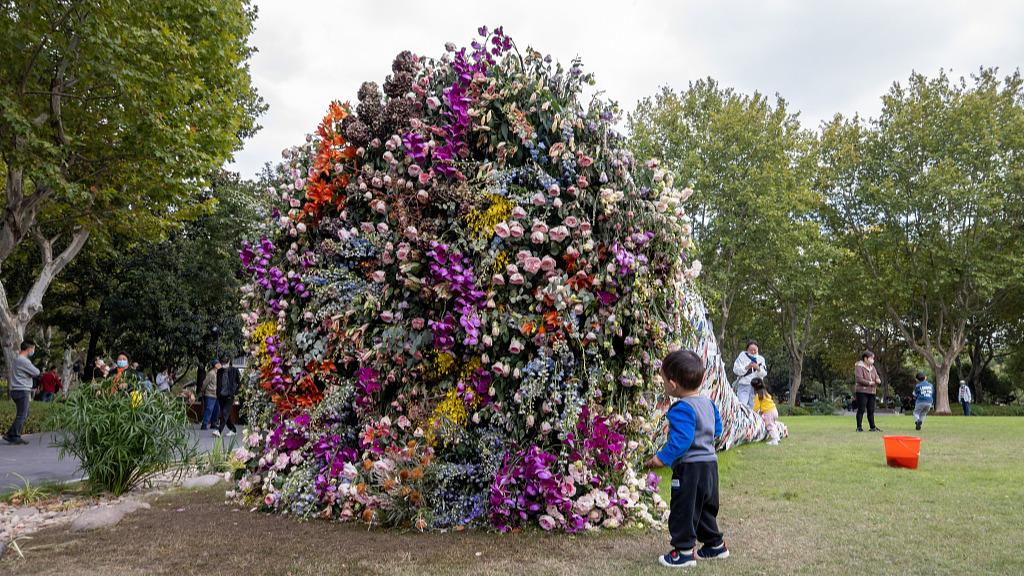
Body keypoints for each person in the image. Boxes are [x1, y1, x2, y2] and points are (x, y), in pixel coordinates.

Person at [646, 350, 728, 568]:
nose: (664, 384)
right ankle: (715, 545)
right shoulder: (708, 404)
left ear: (673, 384)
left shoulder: (681, 408)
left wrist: (661, 458)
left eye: (664, 380)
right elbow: (717, 430)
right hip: (710, 465)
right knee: (704, 508)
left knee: (684, 508)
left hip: (690, 469)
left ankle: (682, 552)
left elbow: (682, 440)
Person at [4, 341, 40, 445]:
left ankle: (11, 434)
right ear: (29, 349)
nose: (33, 351)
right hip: (22, 390)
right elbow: (37, 372)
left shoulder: (16, 359)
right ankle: (14, 436)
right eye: (33, 349)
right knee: (22, 415)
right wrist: (31, 374)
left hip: (16, 389)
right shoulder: (24, 361)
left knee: (23, 413)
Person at [732, 340, 767, 409]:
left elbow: (764, 373)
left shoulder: (761, 359)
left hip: (756, 387)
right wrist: (747, 367)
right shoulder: (742, 356)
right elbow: (735, 370)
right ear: (747, 349)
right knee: (742, 406)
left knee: (754, 407)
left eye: (755, 350)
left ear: (758, 349)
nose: (753, 352)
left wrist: (758, 368)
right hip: (744, 384)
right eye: (751, 350)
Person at [854, 350, 883, 432]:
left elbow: (876, 376)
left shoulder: (872, 367)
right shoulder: (859, 366)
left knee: (871, 410)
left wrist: (878, 379)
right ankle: (859, 427)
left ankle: (872, 427)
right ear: (865, 358)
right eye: (871, 358)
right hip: (862, 391)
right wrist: (869, 383)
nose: (873, 360)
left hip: (872, 391)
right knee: (861, 409)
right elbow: (859, 379)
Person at [213, 356, 241, 437]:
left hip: (230, 395)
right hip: (221, 395)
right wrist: (217, 393)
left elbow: (239, 383)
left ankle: (219, 431)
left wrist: (235, 392)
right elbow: (218, 383)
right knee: (226, 414)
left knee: (225, 412)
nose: (224, 365)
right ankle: (233, 429)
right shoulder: (220, 371)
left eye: (225, 363)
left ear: (229, 362)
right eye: (223, 363)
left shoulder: (234, 370)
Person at [751, 378, 780, 445]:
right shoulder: (765, 392)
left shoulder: (758, 395)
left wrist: (753, 413)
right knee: (773, 424)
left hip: (768, 412)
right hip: (774, 410)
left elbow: (756, 407)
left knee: (769, 426)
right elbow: (765, 404)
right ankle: (777, 438)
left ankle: (775, 440)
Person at [200, 360, 221, 430]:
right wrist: (203, 390)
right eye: (218, 364)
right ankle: (204, 424)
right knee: (209, 409)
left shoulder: (219, 373)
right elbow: (205, 383)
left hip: (217, 394)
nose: (220, 365)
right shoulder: (211, 373)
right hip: (210, 394)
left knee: (216, 410)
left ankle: (213, 423)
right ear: (215, 365)